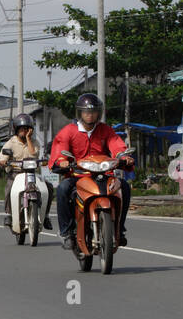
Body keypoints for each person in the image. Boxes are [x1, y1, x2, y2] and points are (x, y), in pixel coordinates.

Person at [49, 93, 133, 253]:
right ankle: (66, 232)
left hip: (103, 174)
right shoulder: (69, 131)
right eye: (86, 111)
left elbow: (116, 145)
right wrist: (62, 161)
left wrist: (124, 156)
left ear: (98, 113)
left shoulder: (105, 130)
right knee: (62, 189)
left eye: (93, 111)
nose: (90, 114)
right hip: (78, 176)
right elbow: (60, 148)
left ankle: (120, 228)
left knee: (124, 187)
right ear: (79, 113)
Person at [0, 113, 52, 229]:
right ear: (16, 129)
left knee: (48, 187)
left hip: (32, 172)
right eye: (22, 128)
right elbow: (2, 157)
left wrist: (28, 139)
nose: (24, 131)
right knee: (9, 187)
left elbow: (34, 154)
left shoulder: (34, 142)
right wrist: (3, 161)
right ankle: (9, 214)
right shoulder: (11, 143)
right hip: (16, 172)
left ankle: (46, 215)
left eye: (27, 129)